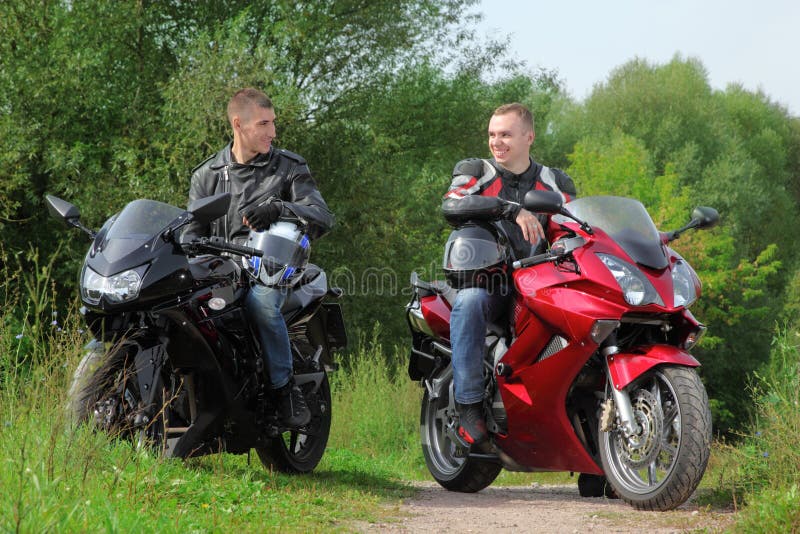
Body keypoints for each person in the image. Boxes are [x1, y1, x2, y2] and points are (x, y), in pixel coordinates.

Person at [183, 88, 334, 428]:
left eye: (273, 123)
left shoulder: (288, 168)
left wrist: (281, 208)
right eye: (264, 124)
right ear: (238, 124)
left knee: (262, 304)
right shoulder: (207, 175)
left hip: (271, 270)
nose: (273, 132)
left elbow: (322, 216)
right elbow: (191, 232)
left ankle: (284, 390)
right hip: (219, 273)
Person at [441, 103, 577, 446]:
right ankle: (469, 405)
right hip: (488, 280)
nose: (496, 142)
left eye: (505, 134)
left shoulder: (556, 181)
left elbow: (573, 226)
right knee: (470, 302)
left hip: (542, 285)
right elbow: (453, 204)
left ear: (528, 137)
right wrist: (510, 209)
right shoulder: (476, 170)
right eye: (492, 134)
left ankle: (591, 445)